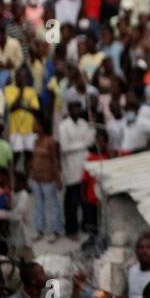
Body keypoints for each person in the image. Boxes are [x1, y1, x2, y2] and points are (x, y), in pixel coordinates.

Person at [57, 99, 94, 238]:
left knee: (85, 199)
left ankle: (85, 225)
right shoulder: (63, 126)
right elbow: (64, 147)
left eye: (79, 108)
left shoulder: (84, 124)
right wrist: (82, 145)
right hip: (71, 169)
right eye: (74, 109)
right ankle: (70, 230)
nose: (76, 111)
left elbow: (90, 142)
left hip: (84, 167)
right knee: (71, 202)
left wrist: (88, 135)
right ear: (69, 109)